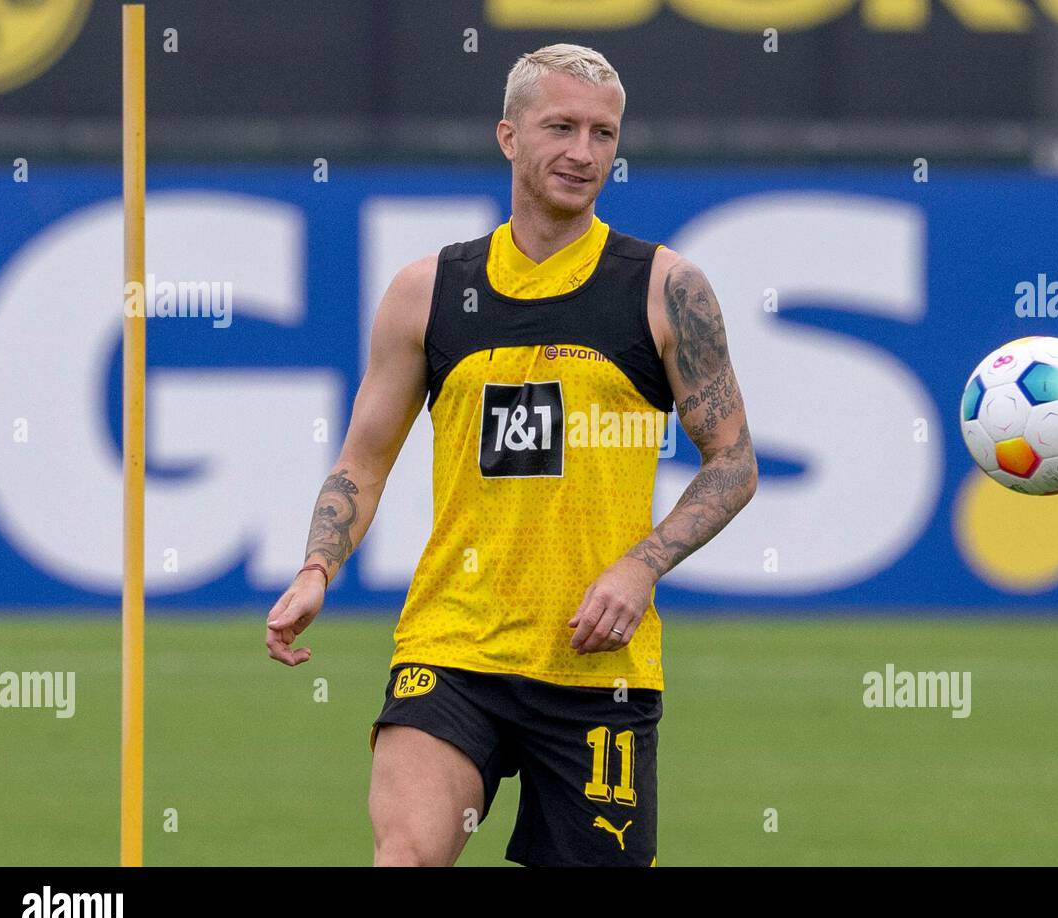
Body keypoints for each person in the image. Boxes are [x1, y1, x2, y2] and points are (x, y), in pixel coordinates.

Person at [264, 43, 756, 866]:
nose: (583, 152)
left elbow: (733, 461)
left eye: (603, 133)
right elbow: (364, 462)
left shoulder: (666, 290)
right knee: (406, 857)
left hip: (600, 668)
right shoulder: (428, 292)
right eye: (560, 127)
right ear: (508, 136)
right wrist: (317, 568)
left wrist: (640, 566)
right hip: (451, 649)